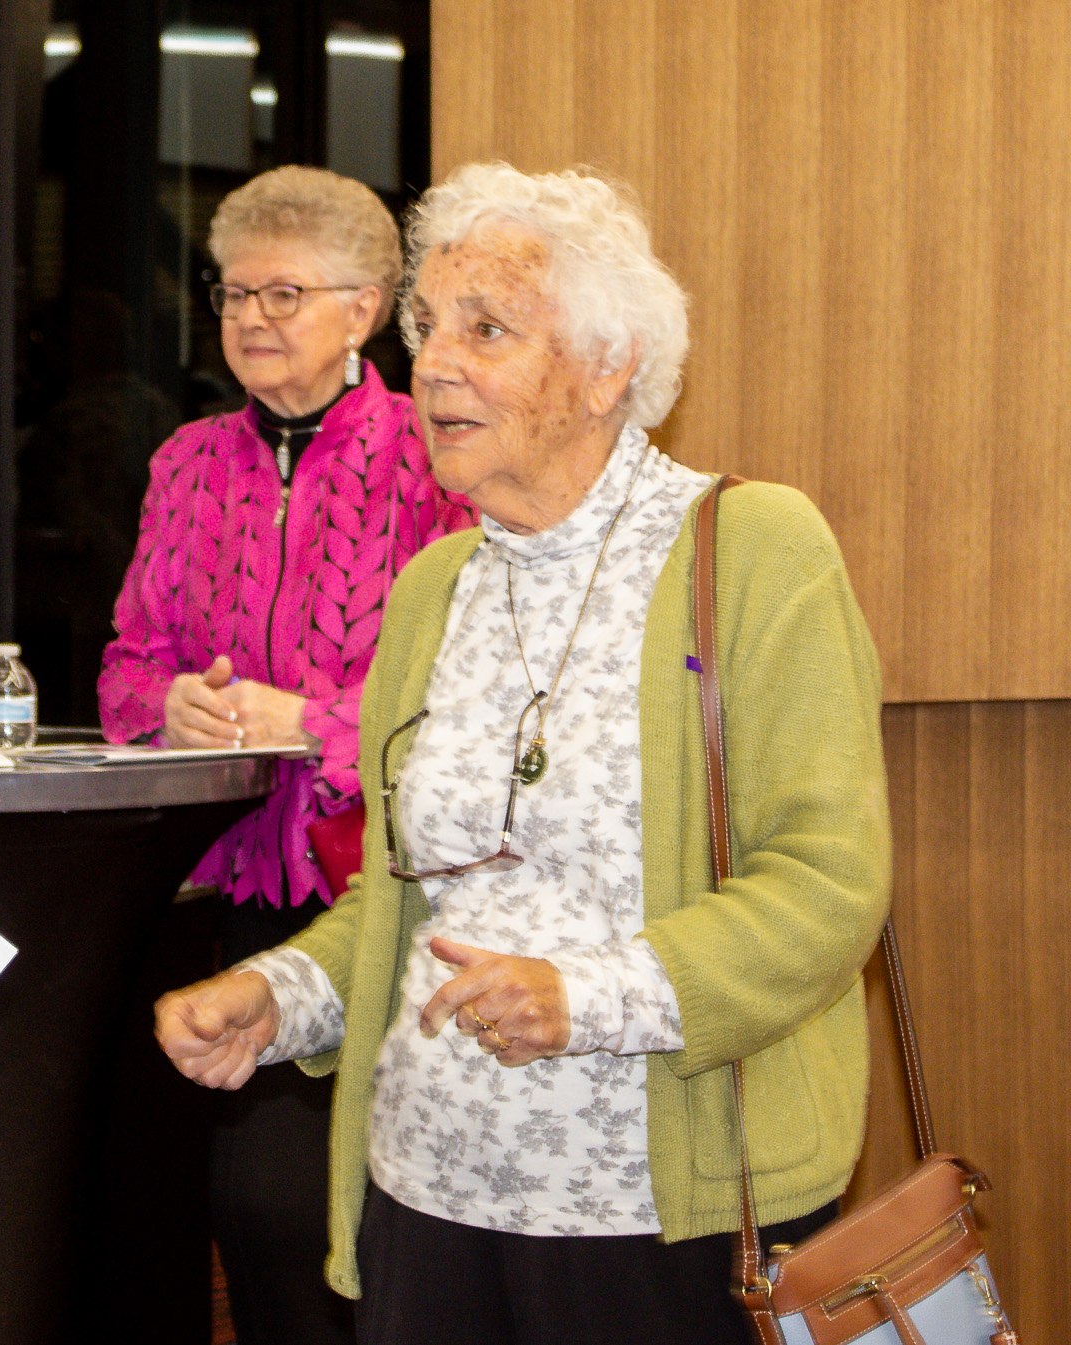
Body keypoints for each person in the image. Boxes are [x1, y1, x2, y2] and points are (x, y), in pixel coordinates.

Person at [153, 163, 890, 1344]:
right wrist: (278, 994)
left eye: (484, 329)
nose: (432, 362)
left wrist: (580, 997)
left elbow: (824, 885)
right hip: (426, 1202)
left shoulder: (749, 549)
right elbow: (405, 898)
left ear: (607, 370)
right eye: (426, 326)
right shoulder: (433, 587)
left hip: (665, 1225)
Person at [98, 165, 474, 1345]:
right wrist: (173, 708)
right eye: (231, 293)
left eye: (282, 293)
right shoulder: (185, 460)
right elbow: (121, 668)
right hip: (227, 895)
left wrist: (302, 721)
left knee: (358, 1213)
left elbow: (463, 683)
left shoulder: (435, 454)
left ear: (363, 308)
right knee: (253, 1216)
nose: (250, 318)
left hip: (388, 886)